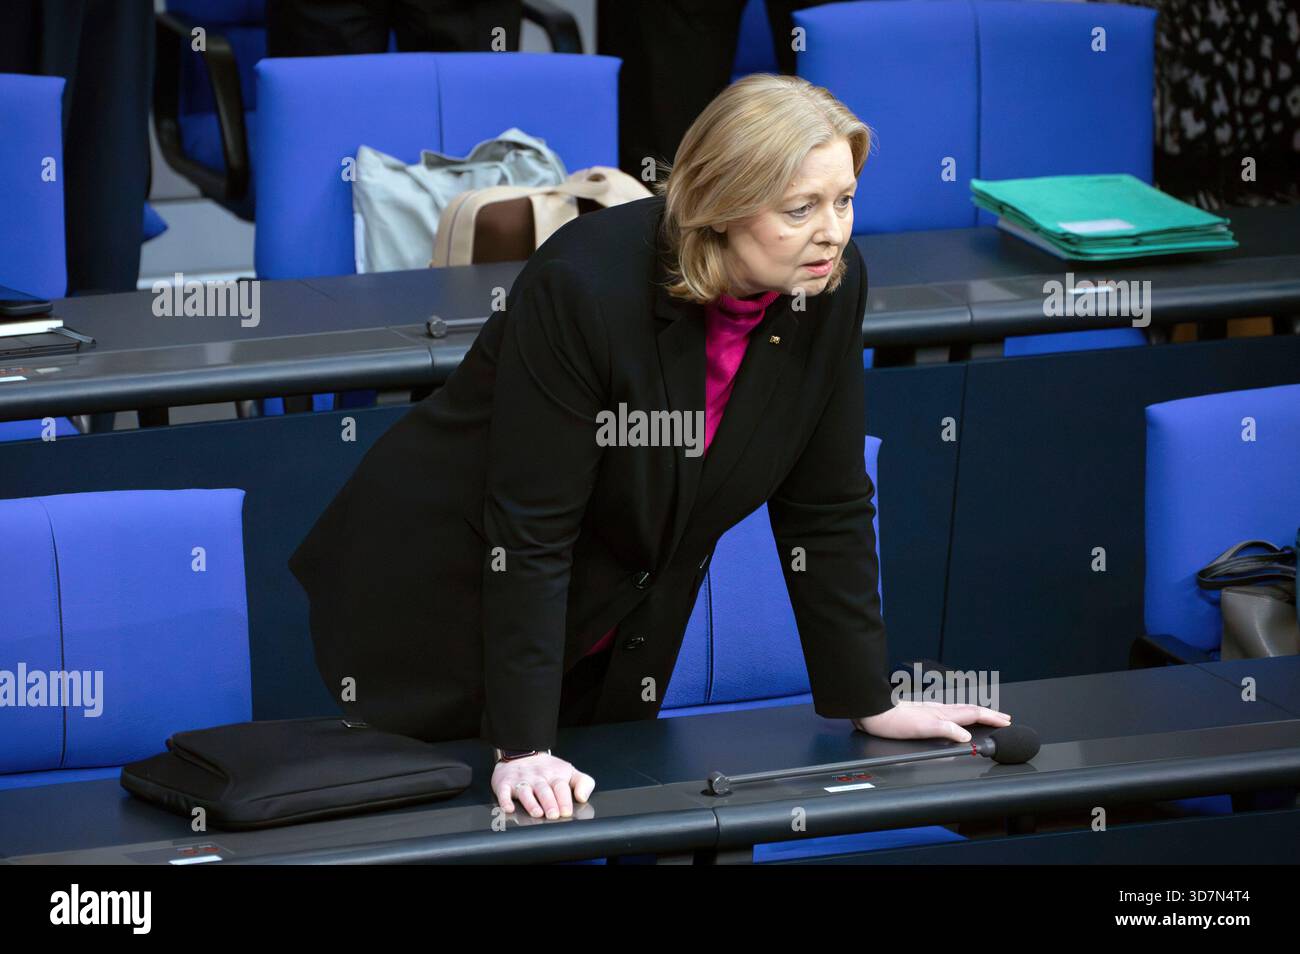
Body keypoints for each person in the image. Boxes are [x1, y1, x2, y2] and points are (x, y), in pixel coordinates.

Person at [288, 74, 1012, 822]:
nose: (833, 231)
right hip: (442, 601)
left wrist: (868, 699)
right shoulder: (584, 287)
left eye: (845, 199)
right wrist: (523, 744)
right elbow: (532, 527)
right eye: (800, 209)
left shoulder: (824, 283)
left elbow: (827, 504)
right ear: (721, 207)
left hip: (606, 618)